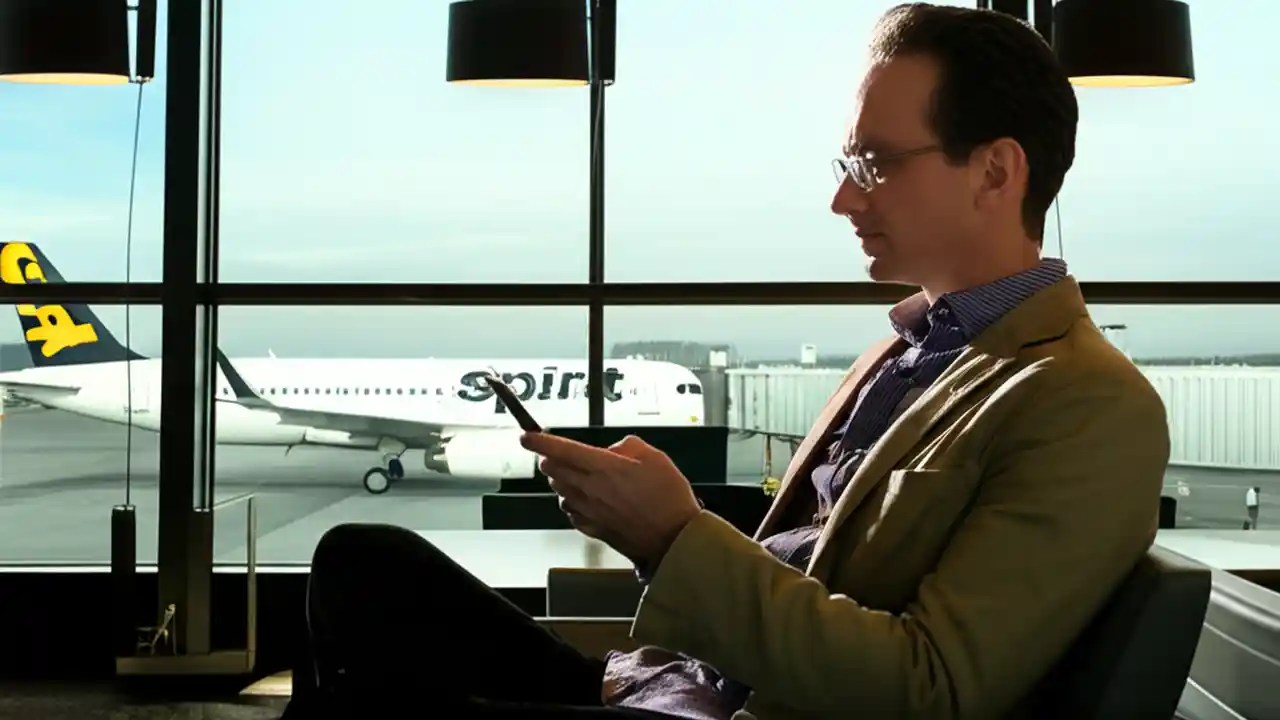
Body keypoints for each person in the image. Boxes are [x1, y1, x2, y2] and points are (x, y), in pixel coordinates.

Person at [281, 3, 1171, 719]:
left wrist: (673, 538)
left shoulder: (1084, 402)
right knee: (363, 562)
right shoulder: (900, 355)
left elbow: (928, 689)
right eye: (847, 162)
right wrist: (656, 525)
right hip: (673, 682)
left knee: (364, 699)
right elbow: (813, 565)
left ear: (995, 172)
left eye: (874, 163)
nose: (842, 198)